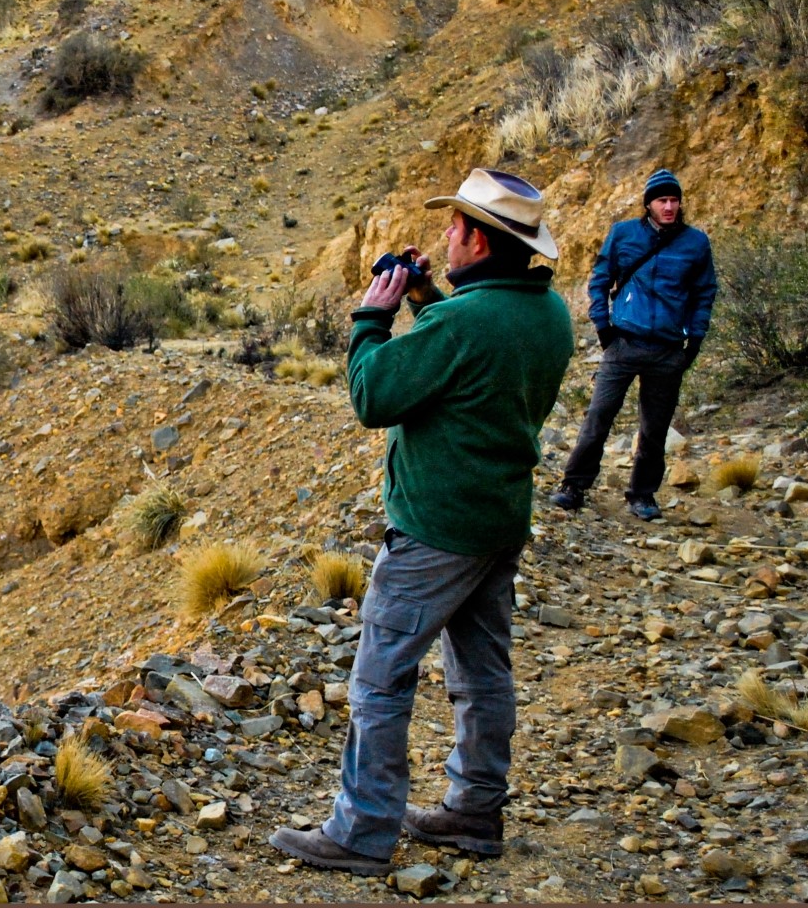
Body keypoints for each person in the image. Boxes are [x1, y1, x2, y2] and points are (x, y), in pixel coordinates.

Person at [269, 168, 574, 874]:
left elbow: (374, 395)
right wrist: (425, 299)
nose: (445, 234)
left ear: (477, 238)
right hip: (497, 519)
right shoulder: (545, 312)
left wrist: (373, 318)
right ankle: (473, 809)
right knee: (482, 672)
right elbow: (468, 359)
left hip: (435, 528)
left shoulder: (464, 323)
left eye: (454, 226)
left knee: (379, 678)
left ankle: (361, 830)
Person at [550, 169, 716, 521]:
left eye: (674, 200)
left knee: (655, 428)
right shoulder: (623, 234)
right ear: (649, 204)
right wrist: (602, 327)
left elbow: (704, 293)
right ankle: (574, 485)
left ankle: (642, 495)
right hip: (623, 342)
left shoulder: (696, 243)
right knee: (598, 416)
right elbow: (599, 280)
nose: (669, 206)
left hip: (669, 348)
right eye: (662, 200)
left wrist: (695, 340)